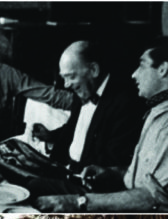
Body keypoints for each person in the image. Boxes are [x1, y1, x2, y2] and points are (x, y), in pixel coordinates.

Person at [34, 39, 168, 212]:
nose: (134, 74)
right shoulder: (155, 110)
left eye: (142, 66)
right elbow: (144, 176)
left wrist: (78, 202)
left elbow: (152, 197)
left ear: (163, 69)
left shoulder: (153, 116)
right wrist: (114, 172)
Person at [29, 40, 146, 190]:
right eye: (63, 77)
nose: (66, 85)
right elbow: (75, 129)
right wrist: (51, 136)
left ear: (93, 70)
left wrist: (72, 173)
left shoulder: (125, 103)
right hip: (65, 170)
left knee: (33, 187)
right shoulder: (85, 90)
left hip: (90, 185)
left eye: (70, 76)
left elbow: (112, 163)